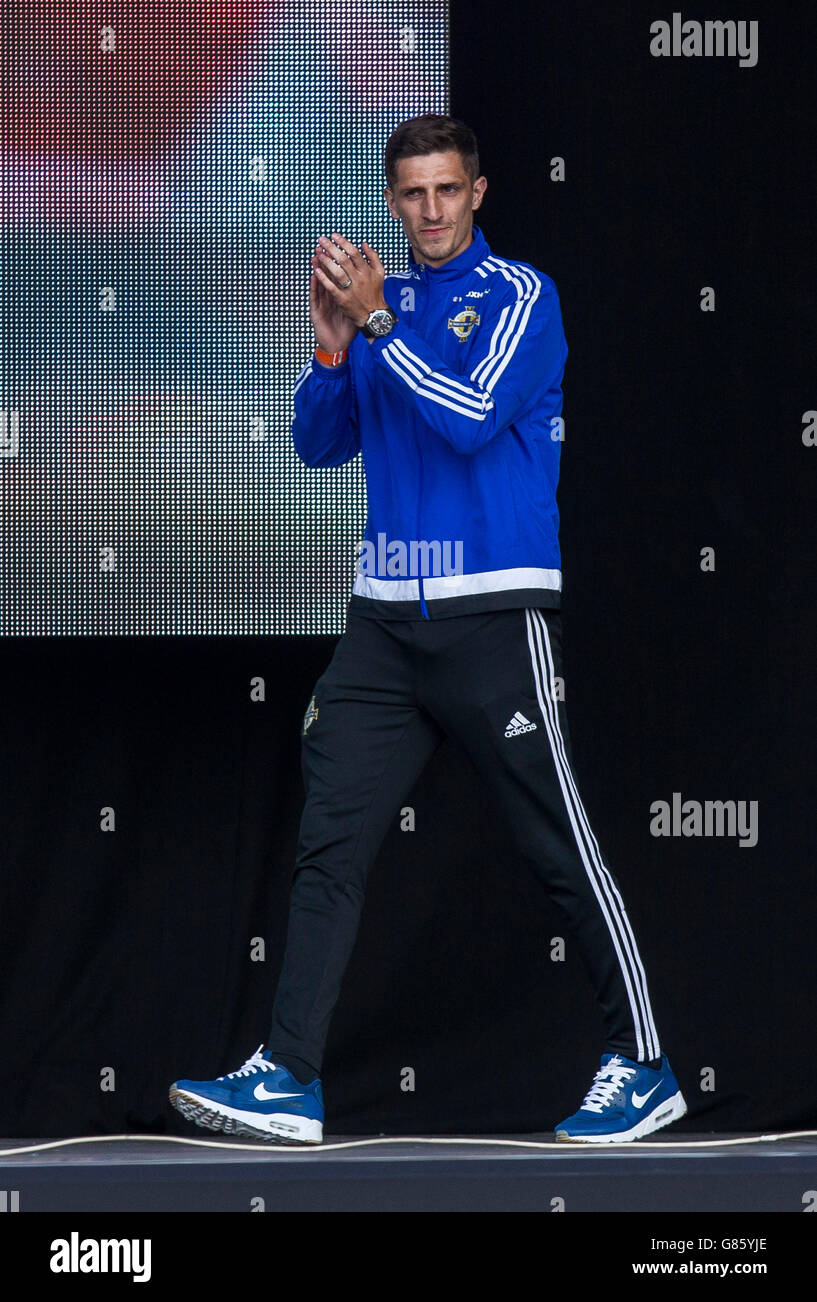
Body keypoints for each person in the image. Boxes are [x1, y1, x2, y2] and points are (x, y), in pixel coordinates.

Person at [169, 113, 687, 1145]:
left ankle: (643, 1065)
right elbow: (319, 444)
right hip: (383, 625)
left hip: (493, 613)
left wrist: (375, 328)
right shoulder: (379, 306)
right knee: (329, 846)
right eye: (411, 194)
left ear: (479, 193)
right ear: (392, 201)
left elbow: (466, 413)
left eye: (448, 190)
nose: (431, 211)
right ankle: (290, 1076)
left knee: (558, 844)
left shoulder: (520, 295)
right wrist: (329, 340)